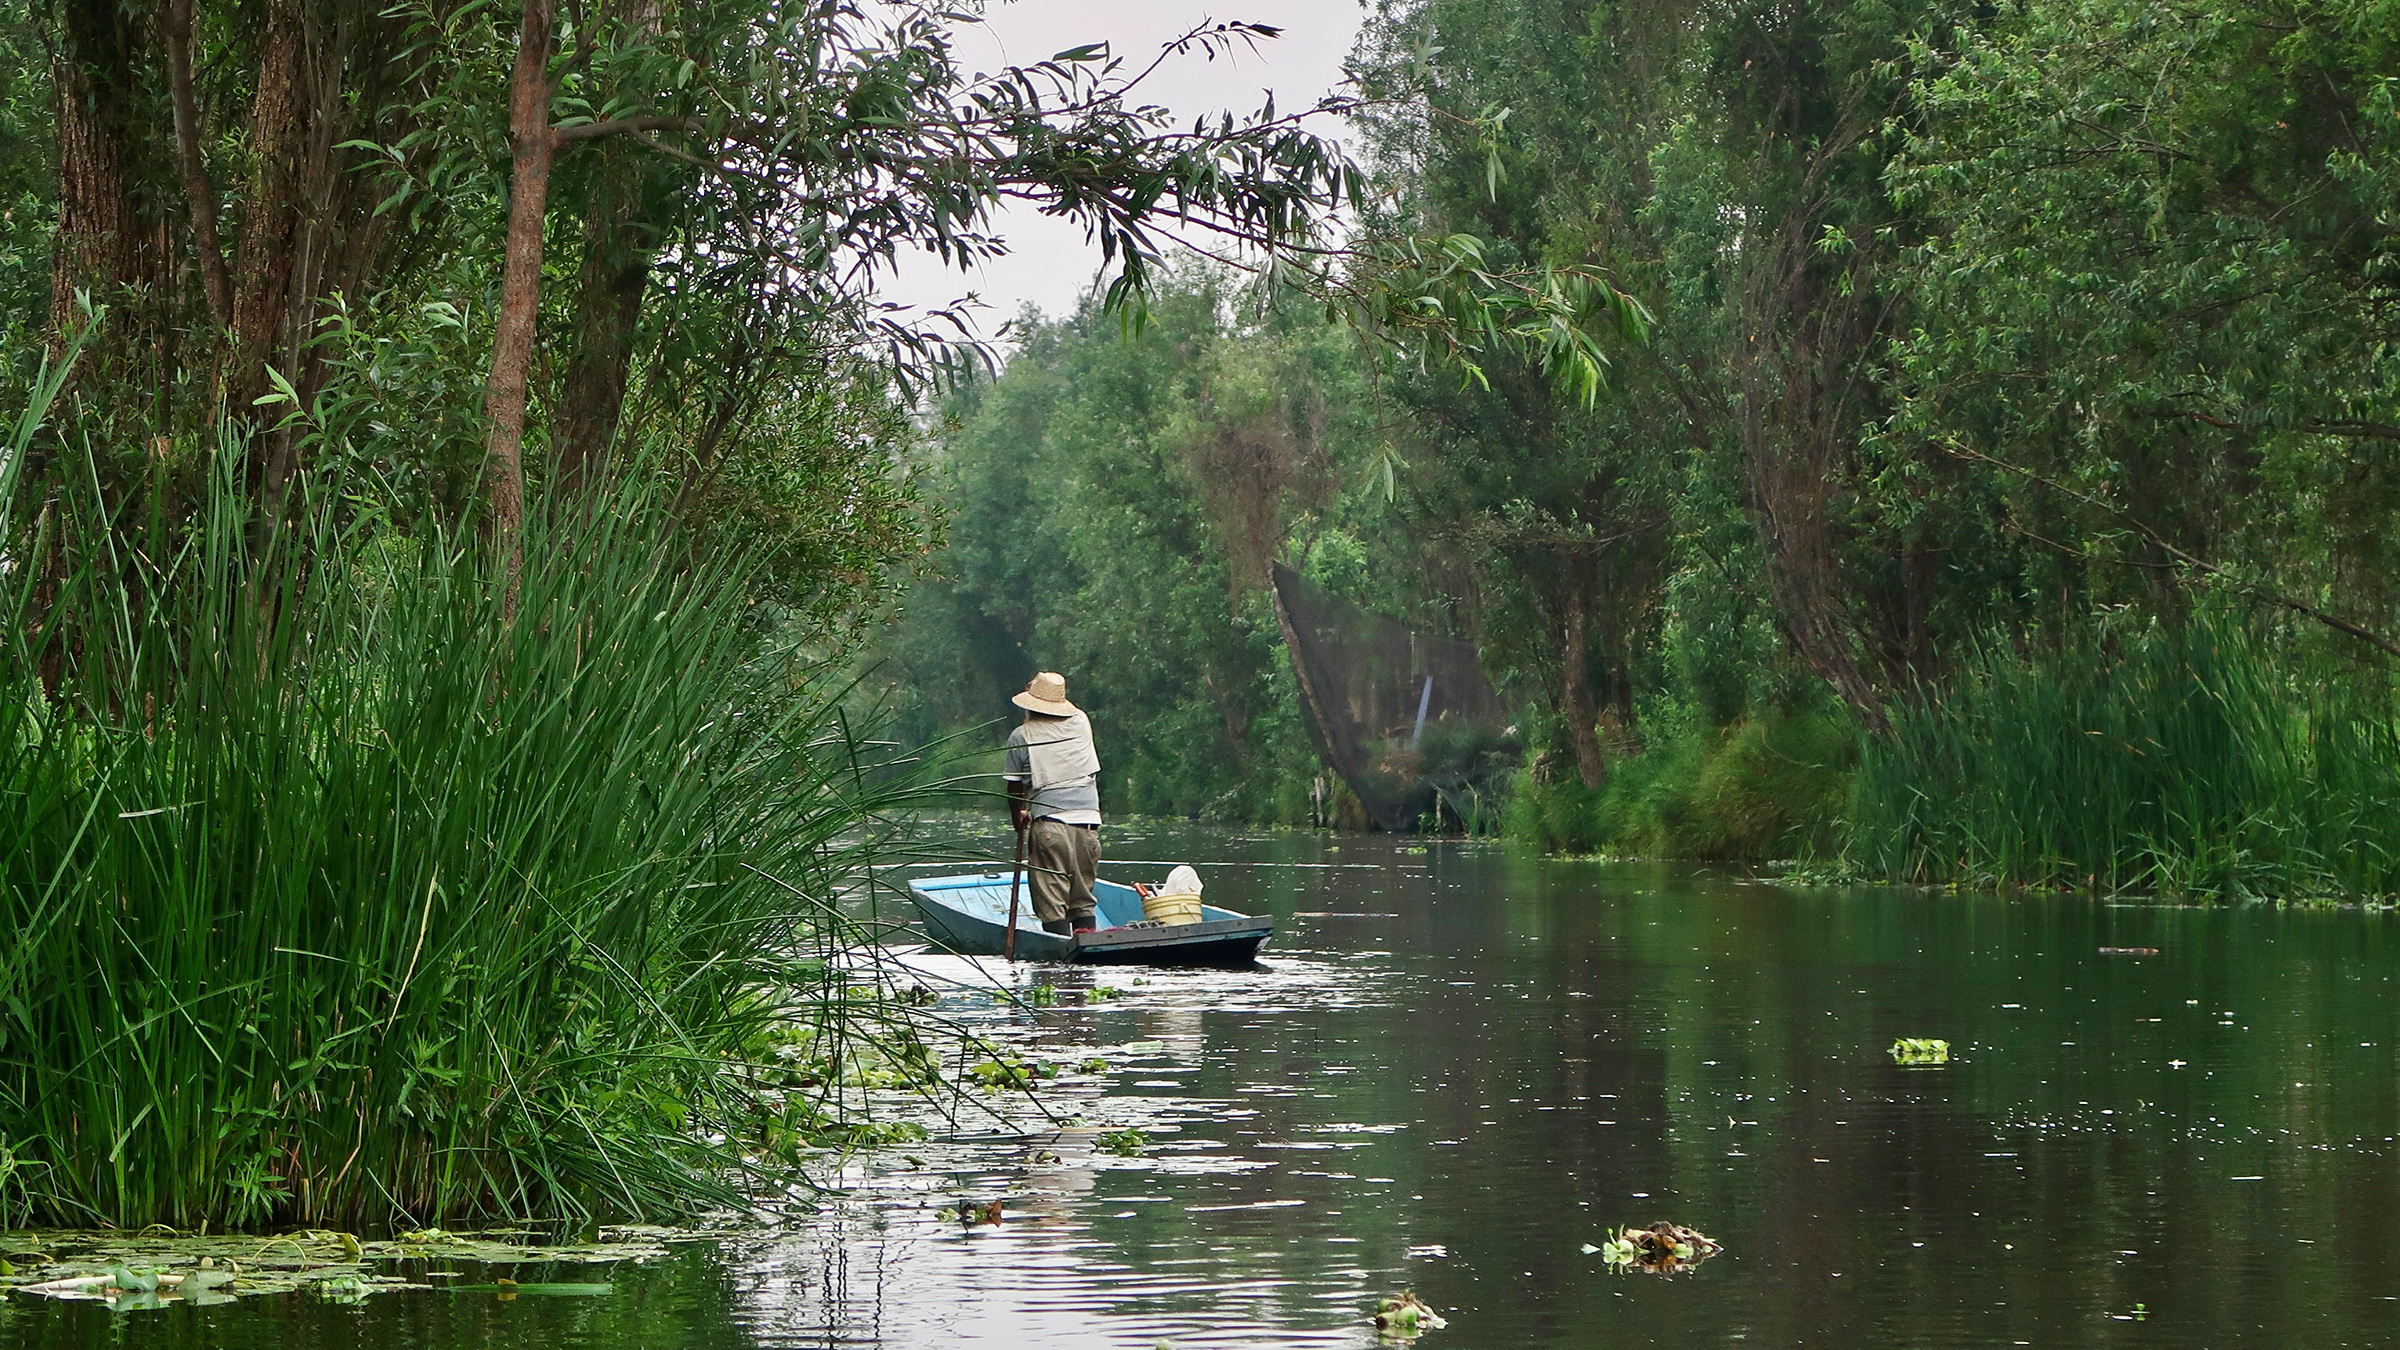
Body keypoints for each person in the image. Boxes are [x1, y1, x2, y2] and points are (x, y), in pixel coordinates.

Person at [1003, 671, 1103, 935]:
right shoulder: (1082, 721)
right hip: (1089, 823)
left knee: (1052, 901)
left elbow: (1015, 787)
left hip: (1051, 826)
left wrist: (1018, 817)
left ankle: (1058, 961)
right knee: (1082, 901)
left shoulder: (1021, 736)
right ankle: (1086, 961)